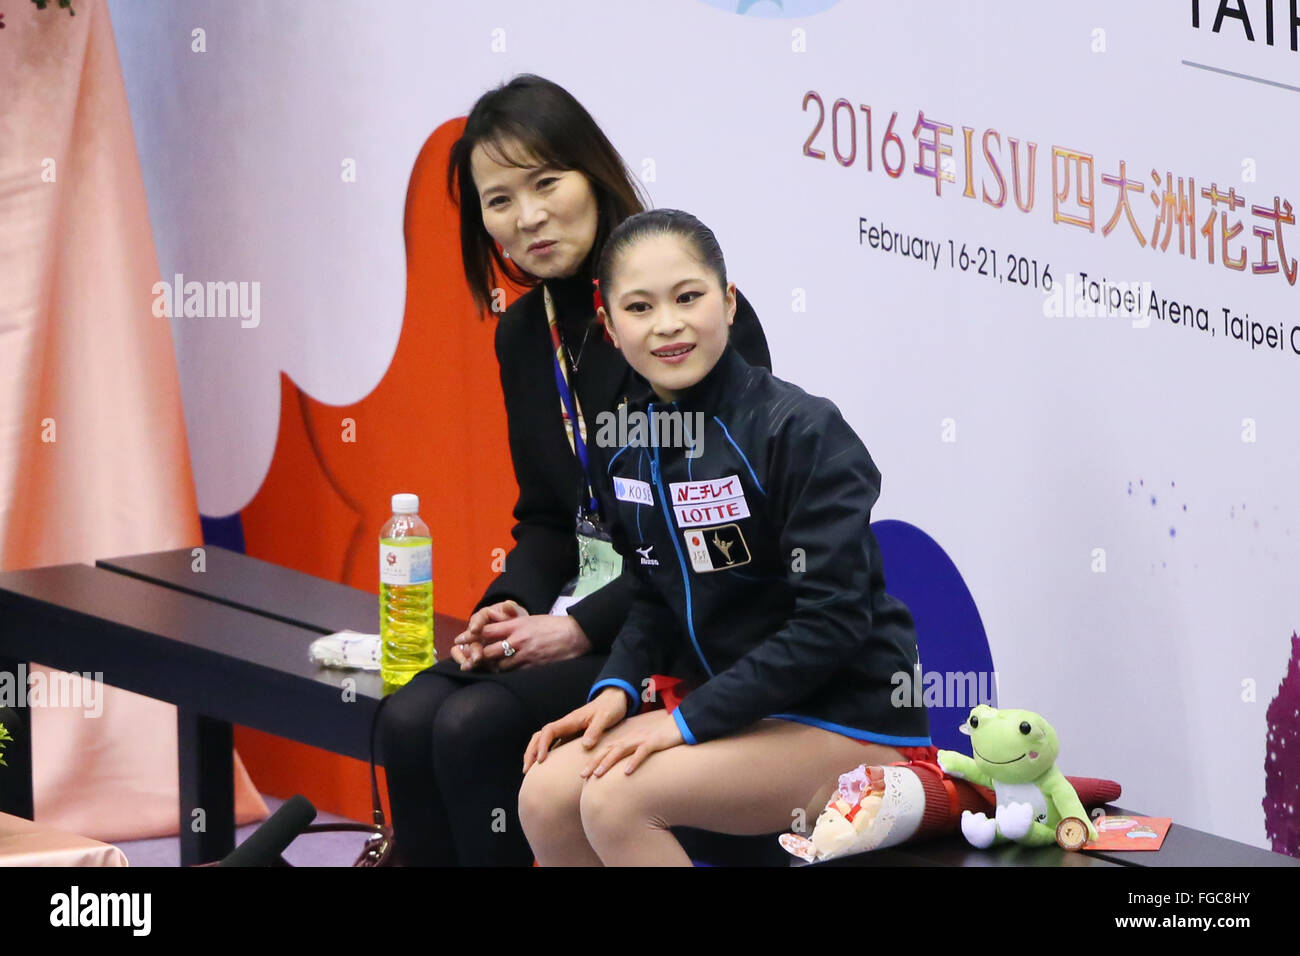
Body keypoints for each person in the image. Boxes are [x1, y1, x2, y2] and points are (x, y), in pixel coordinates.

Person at [376, 77, 772, 866]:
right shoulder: (525, 334)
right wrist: (508, 607)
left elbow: (719, 531)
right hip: (580, 617)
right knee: (408, 715)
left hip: (687, 623)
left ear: (593, 173)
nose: (526, 217)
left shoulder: (679, 313)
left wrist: (578, 627)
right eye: (498, 200)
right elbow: (552, 519)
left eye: (546, 182)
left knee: (471, 724)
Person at [517, 209, 931, 866]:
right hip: (732, 715)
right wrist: (616, 690)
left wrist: (687, 721)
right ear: (610, 328)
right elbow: (653, 590)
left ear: (729, 302)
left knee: (616, 800)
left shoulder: (800, 431)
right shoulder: (623, 441)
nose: (669, 324)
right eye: (640, 306)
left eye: (690, 297)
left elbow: (833, 623)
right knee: (544, 794)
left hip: (846, 718)